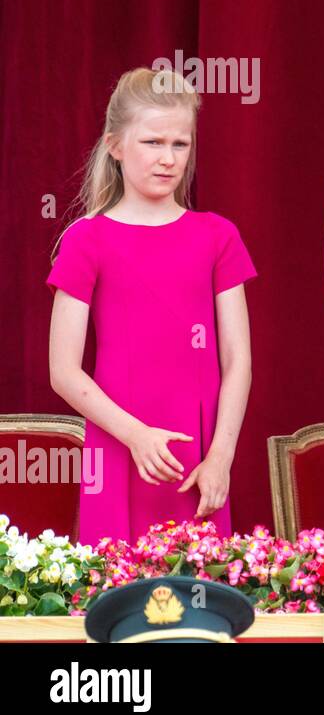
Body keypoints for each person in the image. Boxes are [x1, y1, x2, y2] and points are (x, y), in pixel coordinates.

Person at [47, 68, 256, 544]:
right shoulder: (87, 240)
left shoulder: (217, 236)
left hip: (196, 457)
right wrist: (137, 436)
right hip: (118, 446)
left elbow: (237, 358)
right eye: (152, 142)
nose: (167, 159)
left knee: (198, 600)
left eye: (179, 145)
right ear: (116, 146)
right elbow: (63, 370)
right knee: (119, 602)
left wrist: (220, 458)